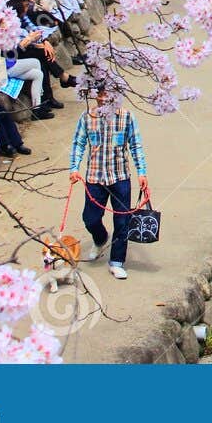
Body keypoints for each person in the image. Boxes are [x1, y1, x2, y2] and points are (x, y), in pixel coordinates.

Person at [69, 85, 149, 281]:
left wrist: (142, 172)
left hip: (120, 176)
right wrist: (74, 168)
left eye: (108, 94)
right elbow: (79, 143)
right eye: (100, 94)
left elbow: (135, 144)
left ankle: (116, 262)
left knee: (122, 221)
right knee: (90, 218)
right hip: (95, 177)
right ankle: (100, 238)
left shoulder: (126, 117)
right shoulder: (87, 117)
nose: (103, 98)